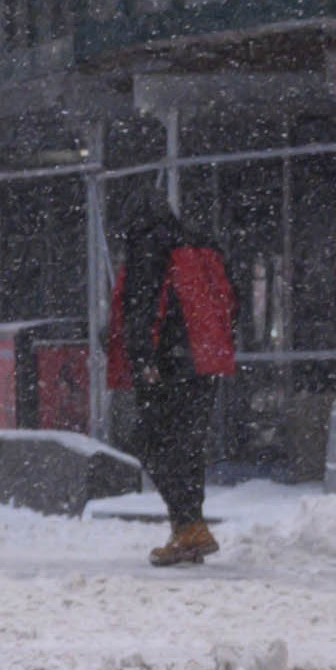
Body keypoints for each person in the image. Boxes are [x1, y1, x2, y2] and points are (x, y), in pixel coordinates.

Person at [106, 189, 241, 566]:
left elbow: (140, 303)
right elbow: (233, 300)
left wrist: (142, 356)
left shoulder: (149, 244)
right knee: (187, 446)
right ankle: (188, 530)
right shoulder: (202, 244)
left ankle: (189, 526)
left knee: (147, 439)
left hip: (166, 360)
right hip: (204, 358)